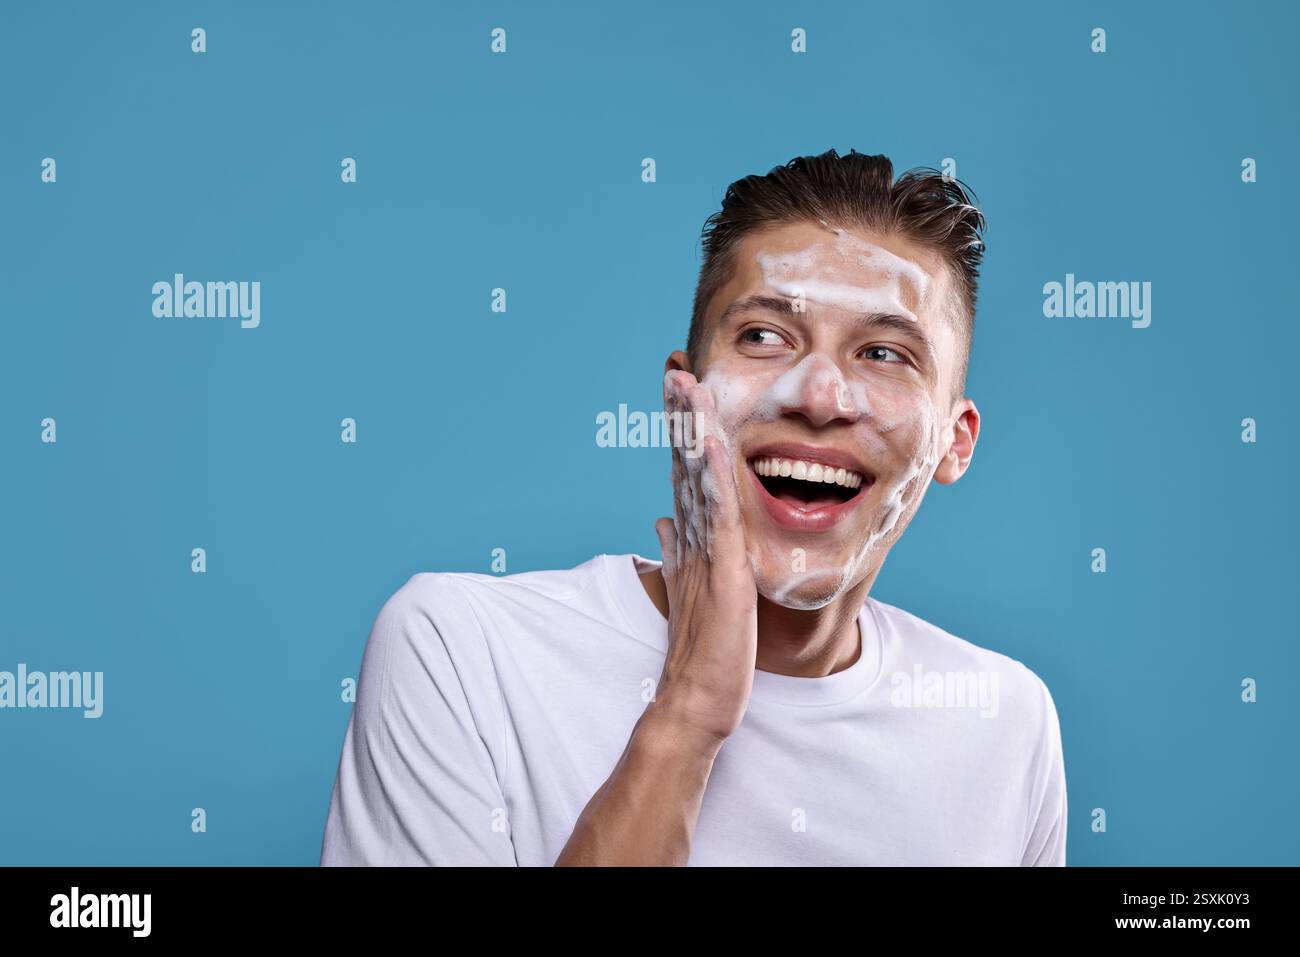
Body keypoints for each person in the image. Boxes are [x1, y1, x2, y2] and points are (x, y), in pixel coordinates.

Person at [320, 149, 1067, 866]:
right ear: (684, 399)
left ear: (953, 442)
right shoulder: (461, 651)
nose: (818, 395)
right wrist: (688, 711)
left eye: (884, 353)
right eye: (765, 336)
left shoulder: (1005, 722)